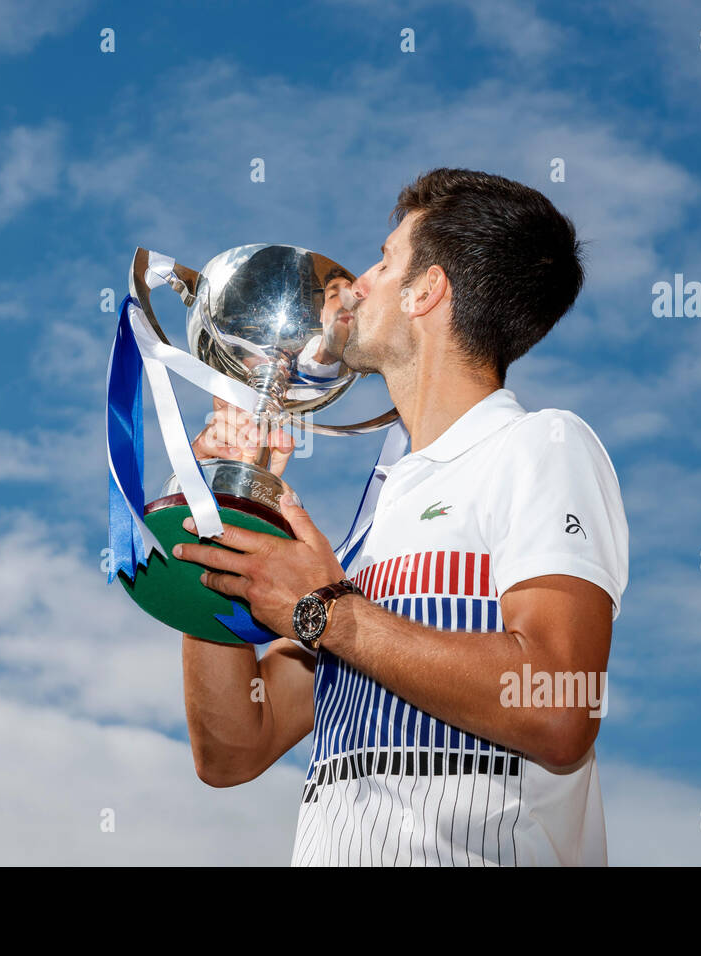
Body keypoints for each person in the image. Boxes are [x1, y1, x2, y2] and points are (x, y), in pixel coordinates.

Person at [179, 168, 628, 866]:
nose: (353, 285)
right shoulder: (374, 516)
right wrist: (235, 503)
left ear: (428, 290)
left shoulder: (540, 446)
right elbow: (234, 747)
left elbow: (558, 706)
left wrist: (331, 612)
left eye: (385, 260)